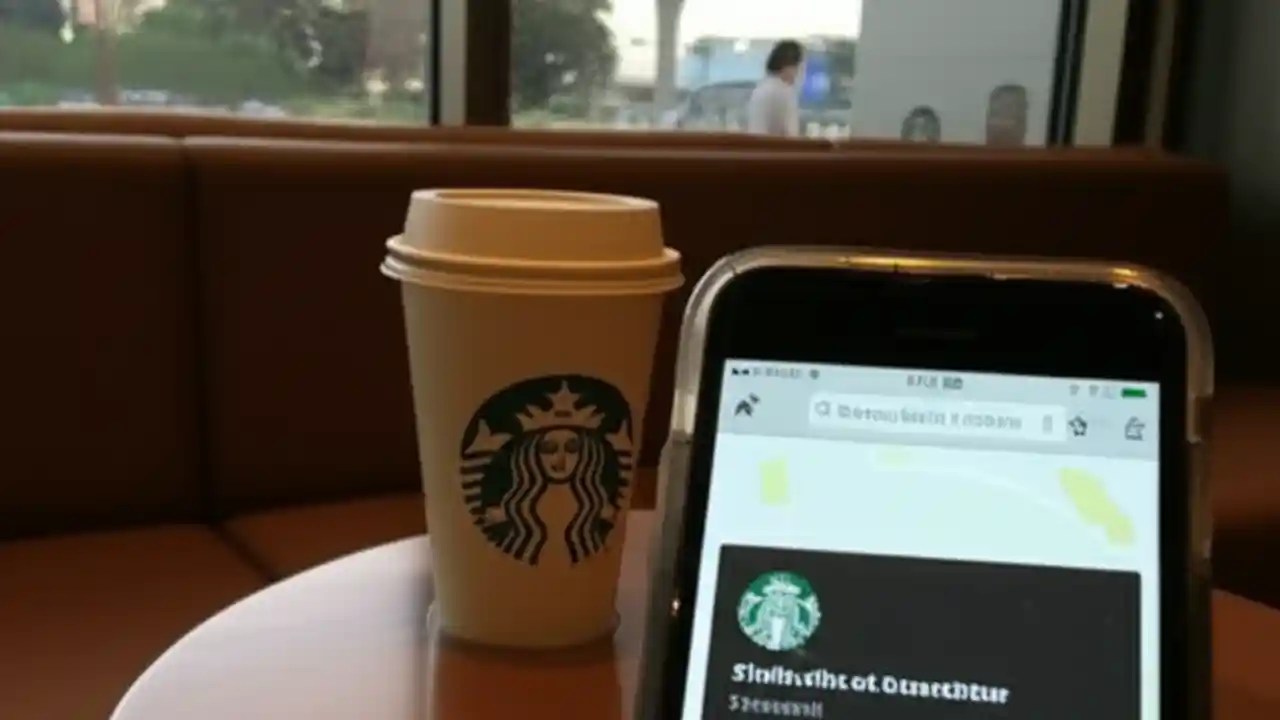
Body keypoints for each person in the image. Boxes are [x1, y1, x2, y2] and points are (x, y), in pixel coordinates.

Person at [747, 40, 804, 137]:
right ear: (789, 66)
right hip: (778, 150)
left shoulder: (760, 89)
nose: (798, 74)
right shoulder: (785, 92)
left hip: (755, 149)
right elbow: (791, 134)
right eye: (798, 67)